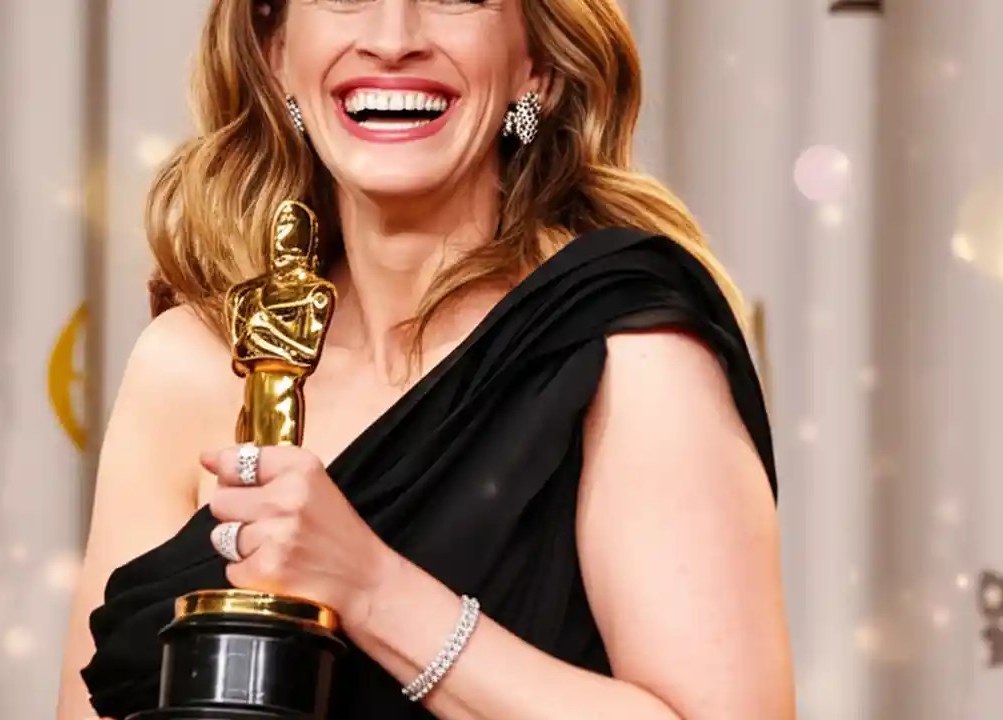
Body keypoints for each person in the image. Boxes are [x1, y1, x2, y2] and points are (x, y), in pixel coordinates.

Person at [57, 0, 795, 718]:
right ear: (275, 50)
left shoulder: (625, 349)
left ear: (536, 64)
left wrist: (374, 590)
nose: (392, 38)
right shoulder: (189, 362)